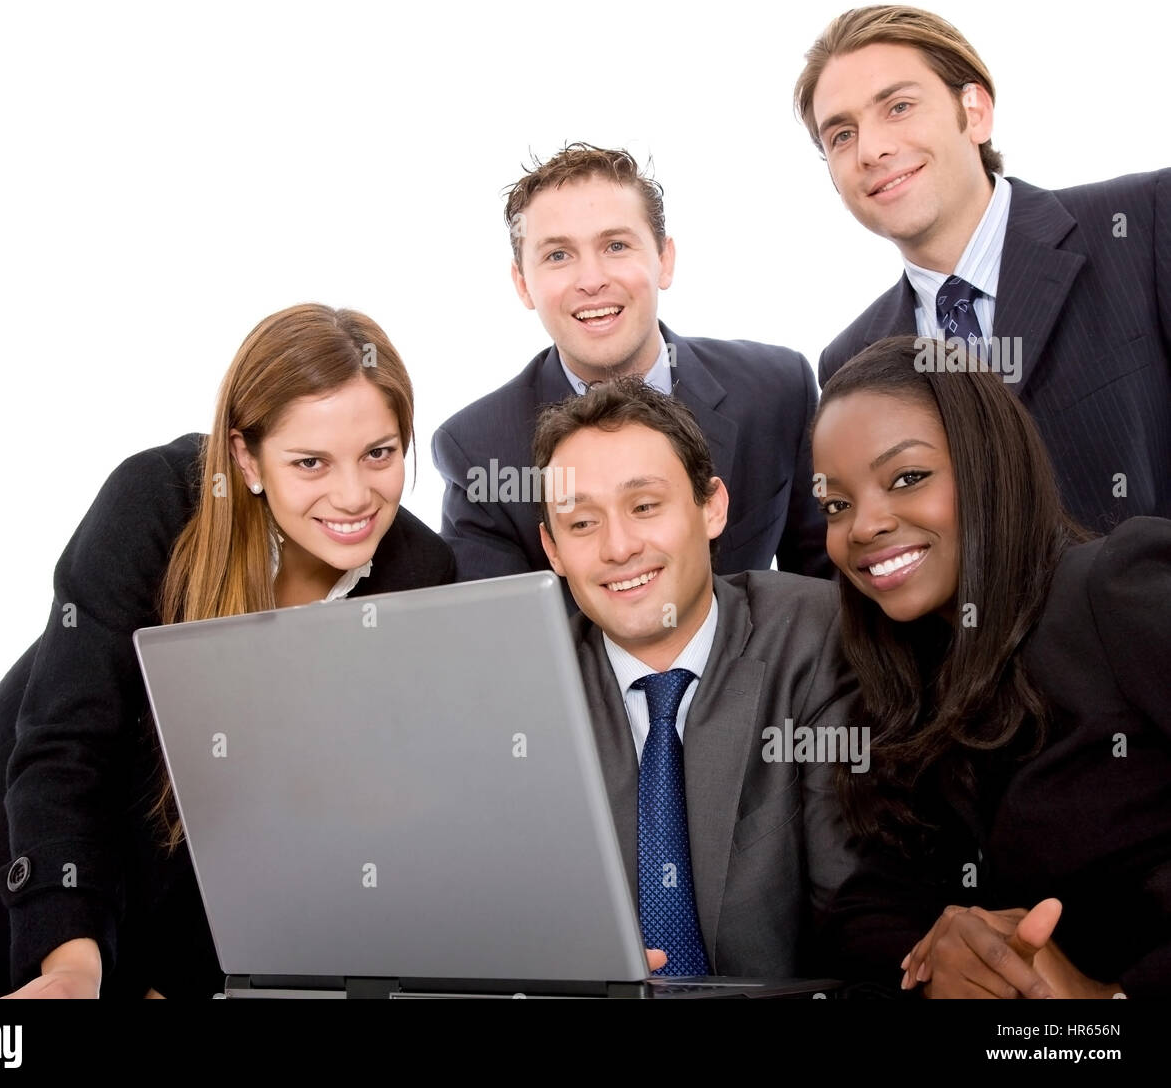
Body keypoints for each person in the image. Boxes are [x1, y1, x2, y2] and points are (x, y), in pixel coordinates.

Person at [0, 303, 455, 999]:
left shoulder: (422, 577)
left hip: (196, 866)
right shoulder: (154, 498)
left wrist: (176, 978)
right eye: (310, 461)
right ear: (246, 456)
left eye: (380, 453)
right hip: (37, 824)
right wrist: (67, 965)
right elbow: (67, 746)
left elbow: (308, 822)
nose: (355, 494)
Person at [810, 335, 1171, 998]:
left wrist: (1112, 999)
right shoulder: (910, 685)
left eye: (907, 478)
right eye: (836, 504)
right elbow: (864, 913)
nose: (863, 526)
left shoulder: (1117, 587)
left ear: (987, 466)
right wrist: (950, 951)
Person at [795, 5, 1170, 536]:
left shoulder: (1144, 222)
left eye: (898, 107)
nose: (873, 149)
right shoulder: (848, 361)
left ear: (975, 112)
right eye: (841, 136)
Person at [532, 377, 857, 976]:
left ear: (712, 506)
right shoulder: (526, 691)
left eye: (645, 506)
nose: (619, 547)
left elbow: (858, 913)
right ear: (552, 551)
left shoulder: (818, 636)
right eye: (582, 524)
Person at [433, 143, 831, 606]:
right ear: (523, 284)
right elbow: (504, 650)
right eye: (558, 256)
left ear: (664, 259)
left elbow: (829, 595)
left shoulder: (777, 389)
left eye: (616, 245)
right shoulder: (477, 449)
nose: (592, 279)